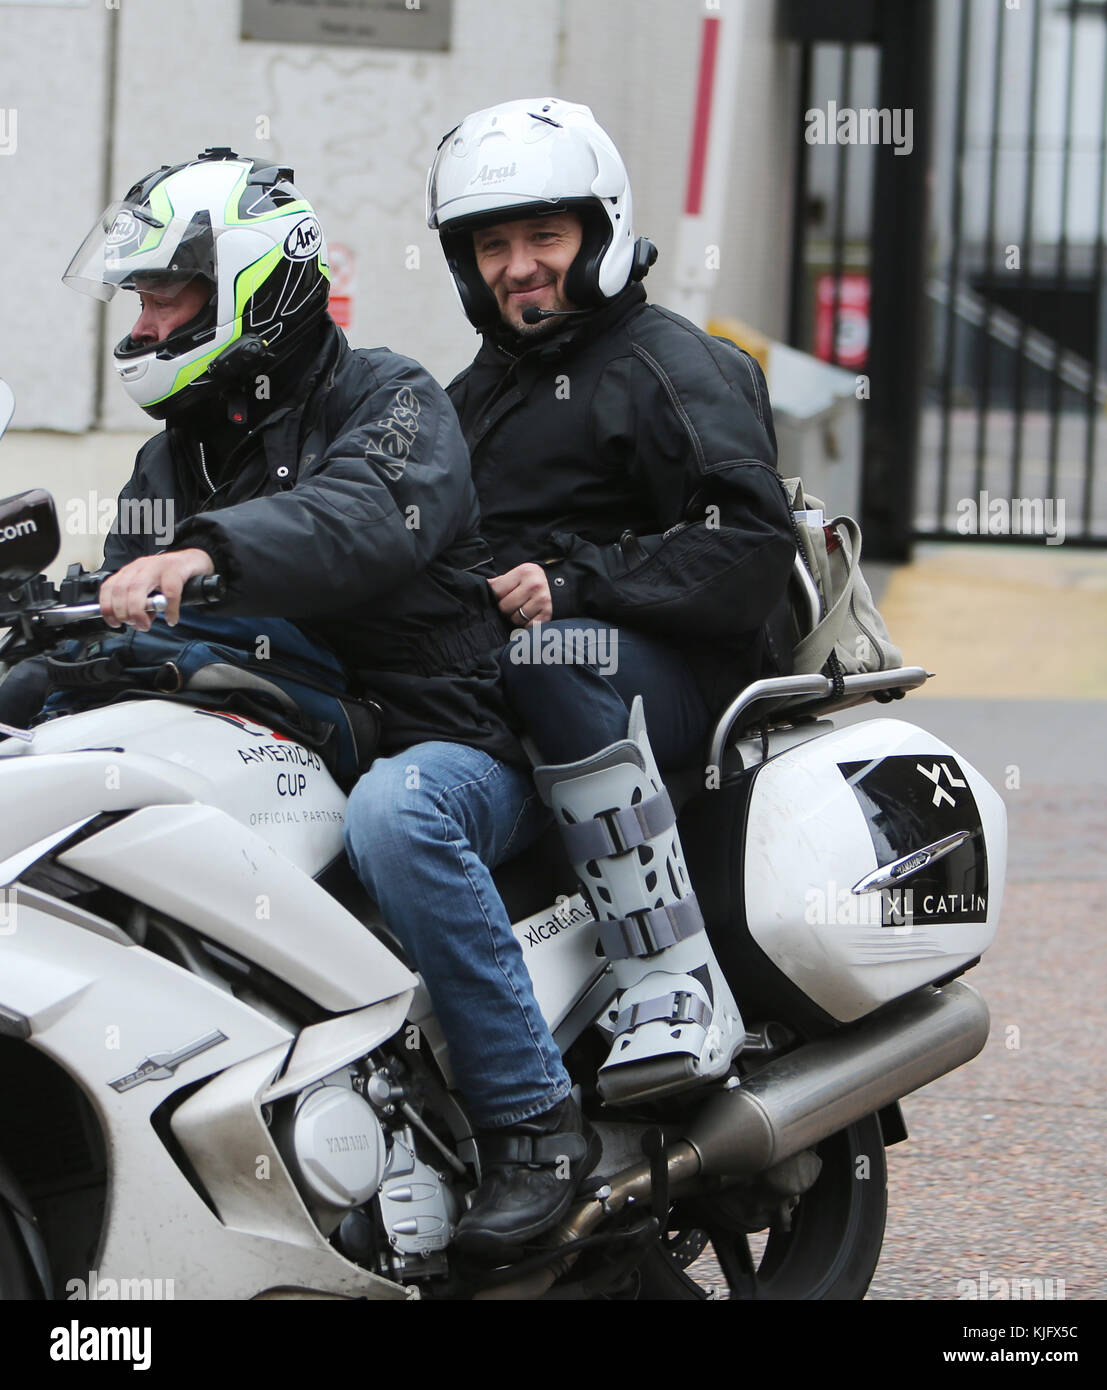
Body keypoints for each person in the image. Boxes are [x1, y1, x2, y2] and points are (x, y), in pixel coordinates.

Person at [42, 150, 597, 1258]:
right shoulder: (172, 461)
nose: (146, 324)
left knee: (400, 814)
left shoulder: (389, 403)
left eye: (168, 295)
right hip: (285, 745)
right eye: (141, 298)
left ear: (250, 287)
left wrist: (206, 554)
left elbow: (359, 519)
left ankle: (533, 1123)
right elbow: (116, 623)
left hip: (448, 743)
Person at [427, 99, 798, 1109]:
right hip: (539, 683)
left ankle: (670, 974)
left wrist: (577, 582)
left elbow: (750, 544)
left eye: (542, 235)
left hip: (678, 678)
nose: (517, 266)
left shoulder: (670, 367)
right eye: (492, 244)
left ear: (598, 232)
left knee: (545, 655)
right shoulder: (478, 393)